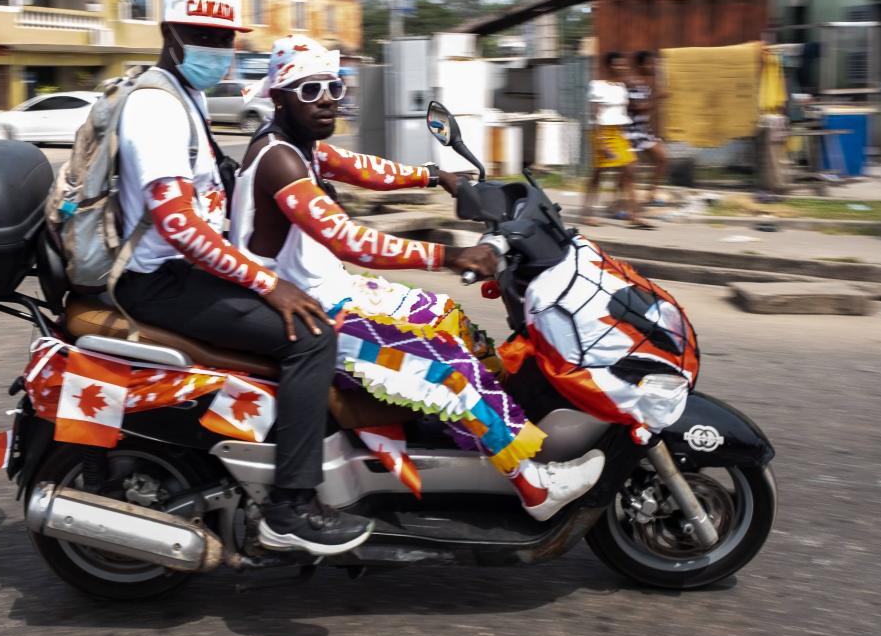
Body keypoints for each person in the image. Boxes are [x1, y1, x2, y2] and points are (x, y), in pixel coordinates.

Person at [230, 37, 606, 521]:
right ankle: (534, 486)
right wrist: (451, 256)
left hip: (333, 292)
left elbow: (362, 168)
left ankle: (487, 427)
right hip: (312, 315)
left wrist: (435, 176)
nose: (325, 99)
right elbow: (348, 241)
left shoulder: (303, 148)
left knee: (448, 316)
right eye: (308, 90)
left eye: (333, 87)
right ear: (279, 99)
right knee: (451, 369)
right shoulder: (279, 159)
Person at [110, 0, 373, 556]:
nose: (216, 48)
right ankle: (291, 507)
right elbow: (178, 223)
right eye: (202, 35)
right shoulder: (155, 107)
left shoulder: (185, 95)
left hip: (185, 269)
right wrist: (268, 283)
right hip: (159, 281)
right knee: (312, 337)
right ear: (170, 34)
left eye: (224, 37)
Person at [583, 51, 649, 229]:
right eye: (617, 65)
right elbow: (595, 113)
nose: (621, 68)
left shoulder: (621, 87)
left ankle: (634, 216)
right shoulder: (598, 85)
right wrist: (602, 143)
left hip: (618, 132)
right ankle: (587, 213)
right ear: (608, 66)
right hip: (602, 132)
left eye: (623, 65)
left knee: (630, 169)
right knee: (599, 174)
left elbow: (622, 112)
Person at [626, 50, 668, 207]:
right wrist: (657, 98)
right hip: (630, 132)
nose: (652, 67)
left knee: (662, 159)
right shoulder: (632, 83)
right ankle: (625, 204)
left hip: (643, 131)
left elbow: (647, 110)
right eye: (650, 63)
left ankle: (651, 195)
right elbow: (636, 108)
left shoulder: (644, 84)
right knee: (630, 169)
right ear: (641, 65)